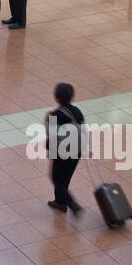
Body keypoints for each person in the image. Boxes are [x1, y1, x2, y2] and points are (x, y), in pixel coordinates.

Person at [45, 82, 84, 214]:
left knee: (56, 178)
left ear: (57, 97)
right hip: (77, 150)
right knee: (65, 178)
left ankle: (72, 203)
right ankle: (60, 202)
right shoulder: (77, 111)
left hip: (62, 152)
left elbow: (52, 136)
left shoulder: (55, 115)